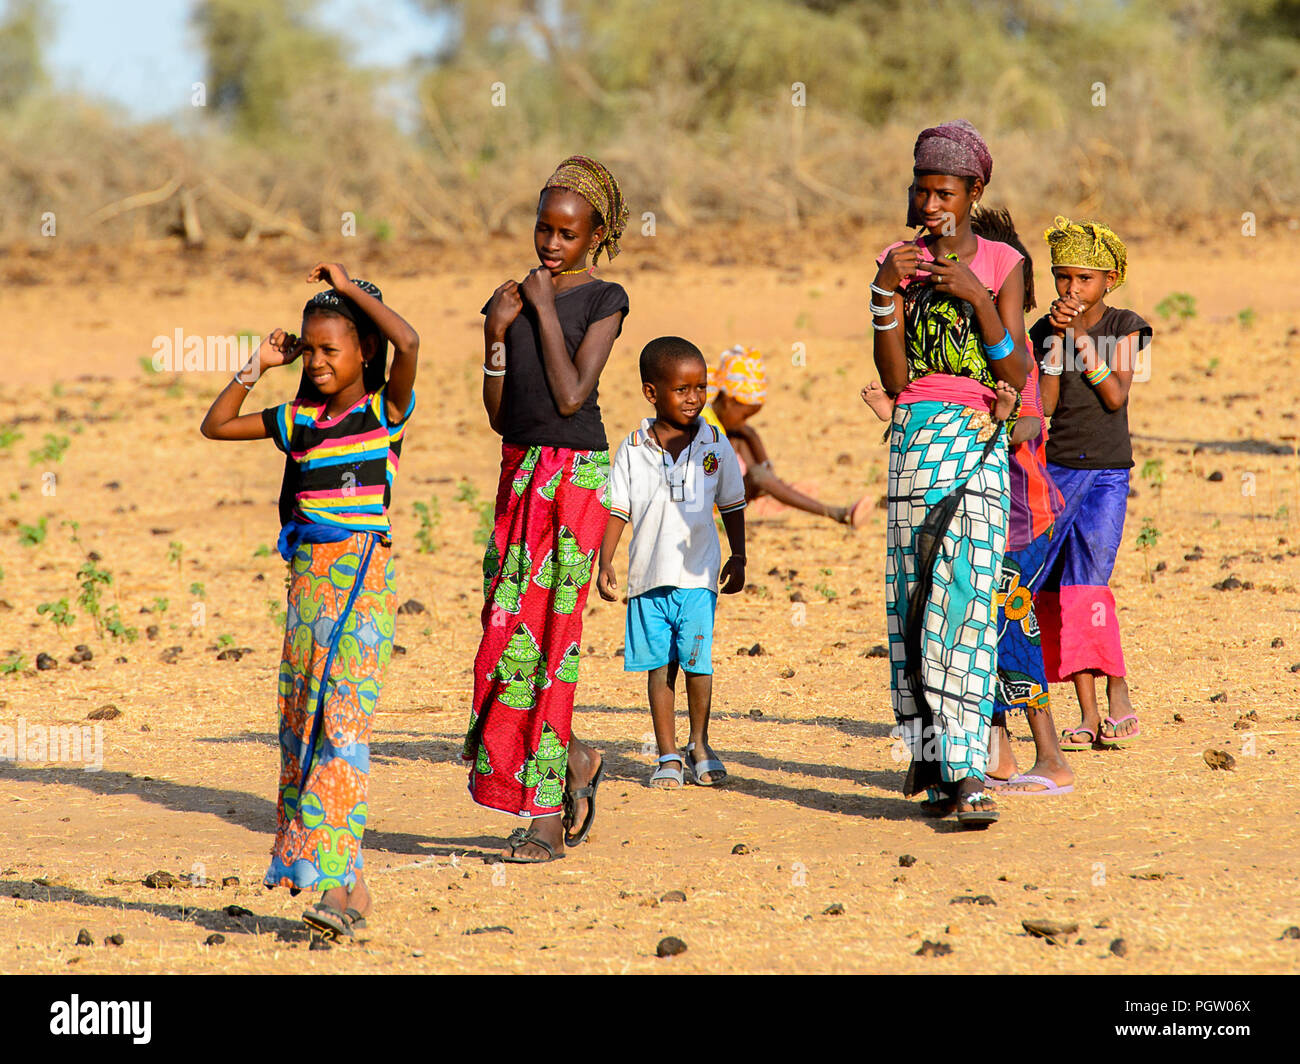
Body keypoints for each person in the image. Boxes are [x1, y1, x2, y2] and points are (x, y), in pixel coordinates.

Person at [199, 262, 419, 939]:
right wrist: (257, 365)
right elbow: (215, 425)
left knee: (343, 726)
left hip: (360, 587)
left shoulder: (385, 411)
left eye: (332, 348)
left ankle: (335, 878)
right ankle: (346, 889)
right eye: (311, 348)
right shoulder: (298, 421)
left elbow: (410, 345)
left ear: (363, 353)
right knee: (303, 725)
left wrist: (353, 291)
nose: (319, 361)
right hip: (307, 592)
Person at [466, 155, 630, 863]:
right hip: (519, 471)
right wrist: (494, 336)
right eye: (543, 229)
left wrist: (534, 307)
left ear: (596, 236)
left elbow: (570, 396)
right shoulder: (512, 297)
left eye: (566, 234)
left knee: (554, 642)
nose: (550, 244)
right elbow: (502, 416)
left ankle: (545, 823)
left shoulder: (604, 299)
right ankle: (576, 760)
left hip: (573, 479)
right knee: (507, 641)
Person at [871, 119, 1027, 828]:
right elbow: (898, 375)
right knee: (912, 599)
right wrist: (883, 292)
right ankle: (932, 761)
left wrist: (975, 294)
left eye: (944, 194)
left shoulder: (1000, 264)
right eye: (922, 192)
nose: (931, 206)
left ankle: (968, 773)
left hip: (978, 440)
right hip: (915, 439)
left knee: (965, 597)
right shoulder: (896, 261)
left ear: (974, 193)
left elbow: (1018, 368)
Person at [598, 337, 747, 789]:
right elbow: (617, 509)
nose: (694, 398)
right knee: (660, 666)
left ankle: (700, 744)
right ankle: (667, 755)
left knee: (698, 663)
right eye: (682, 389)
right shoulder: (632, 447)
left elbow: (732, 505)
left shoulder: (715, 443)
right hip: (647, 579)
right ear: (651, 392)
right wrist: (605, 563)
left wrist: (739, 555)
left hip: (698, 576)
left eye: (700, 387)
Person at [1031, 217, 1152, 751]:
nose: (1071, 289)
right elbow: (1049, 407)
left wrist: (1078, 336)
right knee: (1059, 588)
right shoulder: (1045, 331)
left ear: (1108, 279)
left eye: (1083, 279)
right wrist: (1056, 344)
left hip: (1106, 472)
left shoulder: (1126, 326)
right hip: (1058, 469)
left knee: (1091, 583)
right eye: (1062, 278)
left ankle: (1118, 690)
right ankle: (1085, 708)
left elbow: (1115, 396)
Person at [702, 346, 857, 525]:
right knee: (759, 475)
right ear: (729, 401)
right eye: (745, 415)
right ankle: (835, 513)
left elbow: (762, 475)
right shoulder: (707, 427)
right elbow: (759, 477)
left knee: (755, 465)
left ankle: (833, 511)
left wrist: (750, 435)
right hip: (700, 510)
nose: (744, 423)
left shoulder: (729, 430)